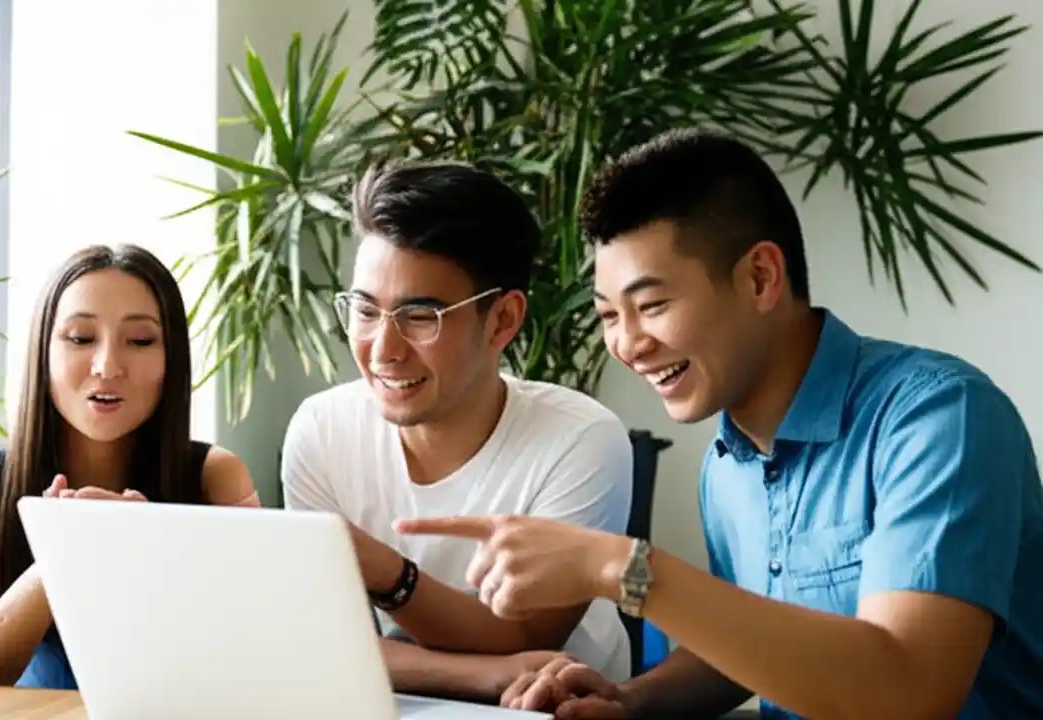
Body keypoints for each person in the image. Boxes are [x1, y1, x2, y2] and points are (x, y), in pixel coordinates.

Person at [399, 128, 1043, 719]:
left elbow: (908, 690)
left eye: (650, 305)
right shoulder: (728, 463)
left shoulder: (937, 417)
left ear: (760, 277)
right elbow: (749, 648)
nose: (627, 344)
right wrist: (626, 701)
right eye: (607, 315)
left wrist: (622, 567)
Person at [280, 161, 635, 703]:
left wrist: (386, 572)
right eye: (366, 310)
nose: (383, 350)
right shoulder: (321, 432)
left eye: (421, 316)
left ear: (503, 321)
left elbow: (530, 642)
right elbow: (323, 642)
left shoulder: (580, 439)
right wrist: (480, 675)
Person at [0, 244, 260, 688]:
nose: (107, 366)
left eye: (140, 341)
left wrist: (154, 556)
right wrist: (63, 556)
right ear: (44, 352)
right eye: (80, 339)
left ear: (171, 358)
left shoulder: (215, 478)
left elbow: (253, 662)